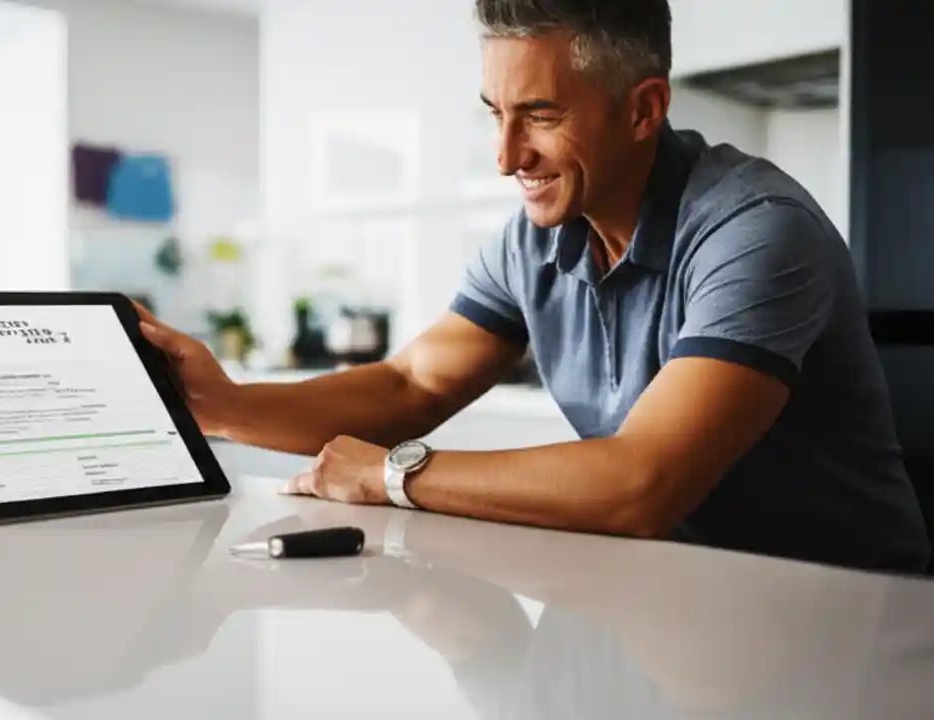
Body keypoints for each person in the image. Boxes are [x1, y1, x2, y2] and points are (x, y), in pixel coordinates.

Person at [138, 0, 930, 573]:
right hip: (676, 593)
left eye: (540, 115)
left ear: (643, 109)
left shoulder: (755, 228)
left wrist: (390, 475)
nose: (505, 155)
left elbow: (639, 483)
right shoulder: (535, 237)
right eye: (496, 114)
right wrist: (225, 405)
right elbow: (413, 381)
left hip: (848, 617)